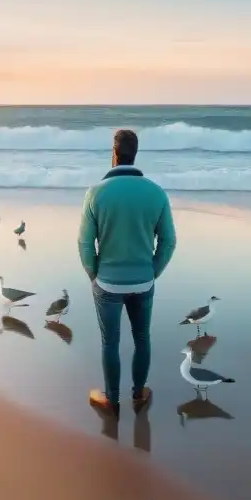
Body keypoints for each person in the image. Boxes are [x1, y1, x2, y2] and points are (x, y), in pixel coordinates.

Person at [78, 129, 177, 413]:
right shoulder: (156, 192)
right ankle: (138, 394)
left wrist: (94, 274)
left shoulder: (96, 193)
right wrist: (152, 271)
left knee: (110, 342)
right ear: (136, 153)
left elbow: (85, 243)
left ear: (114, 152)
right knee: (142, 338)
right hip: (143, 281)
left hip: (107, 283)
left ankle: (111, 399)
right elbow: (168, 241)